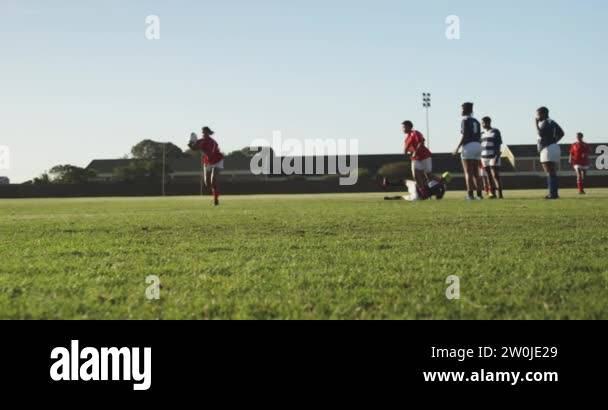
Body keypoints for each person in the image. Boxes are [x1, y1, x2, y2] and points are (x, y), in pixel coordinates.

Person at [188, 127, 225, 206]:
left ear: (208, 133)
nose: (203, 134)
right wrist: (191, 144)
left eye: (205, 132)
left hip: (217, 160)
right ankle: (214, 195)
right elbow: (194, 148)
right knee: (207, 183)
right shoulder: (201, 140)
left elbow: (210, 154)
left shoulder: (213, 142)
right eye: (202, 133)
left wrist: (199, 146)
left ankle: (216, 200)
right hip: (208, 161)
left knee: (213, 181)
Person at [453, 102, 483, 200]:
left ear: (465, 110)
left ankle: (470, 195)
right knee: (476, 172)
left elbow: (464, 135)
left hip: (469, 146)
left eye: (461, 109)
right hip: (478, 145)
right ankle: (479, 194)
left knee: (468, 172)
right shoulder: (477, 121)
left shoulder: (464, 120)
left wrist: (457, 147)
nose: (460, 111)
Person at [535, 107, 565, 200]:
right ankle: (553, 193)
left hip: (548, 149)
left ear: (543, 114)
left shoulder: (546, 122)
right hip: (552, 147)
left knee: (550, 172)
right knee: (552, 172)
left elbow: (540, 133)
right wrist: (554, 141)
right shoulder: (551, 121)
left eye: (538, 114)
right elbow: (561, 133)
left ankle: (552, 194)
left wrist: (535, 123)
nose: (537, 116)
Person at [402, 121, 433, 190]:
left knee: (429, 175)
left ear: (409, 127)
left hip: (425, 156)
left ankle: (442, 183)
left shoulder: (415, 133)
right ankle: (423, 191)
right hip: (416, 159)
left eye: (404, 127)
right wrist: (406, 151)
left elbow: (421, 142)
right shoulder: (407, 138)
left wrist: (415, 152)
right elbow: (405, 150)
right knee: (415, 174)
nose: (402, 129)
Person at [383, 172, 452, 201]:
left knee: (404, 181)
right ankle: (389, 198)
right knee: (402, 197)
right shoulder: (441, 186)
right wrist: (443, 191)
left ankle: (388, 183)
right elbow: (438, 198)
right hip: (418, 195)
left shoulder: (435, 179)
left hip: (415, 186)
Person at [481, 116, 504, 199]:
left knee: (495, 175)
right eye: (482, 123)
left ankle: (500, 194)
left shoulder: (495, 131)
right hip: (484, 157)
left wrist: (496, 156)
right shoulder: (482, 133)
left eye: (483, 123)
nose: (482, 124)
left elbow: (498, 145)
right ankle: (492, 193)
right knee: (488, 176)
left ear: (488, 122)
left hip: (493, 156)